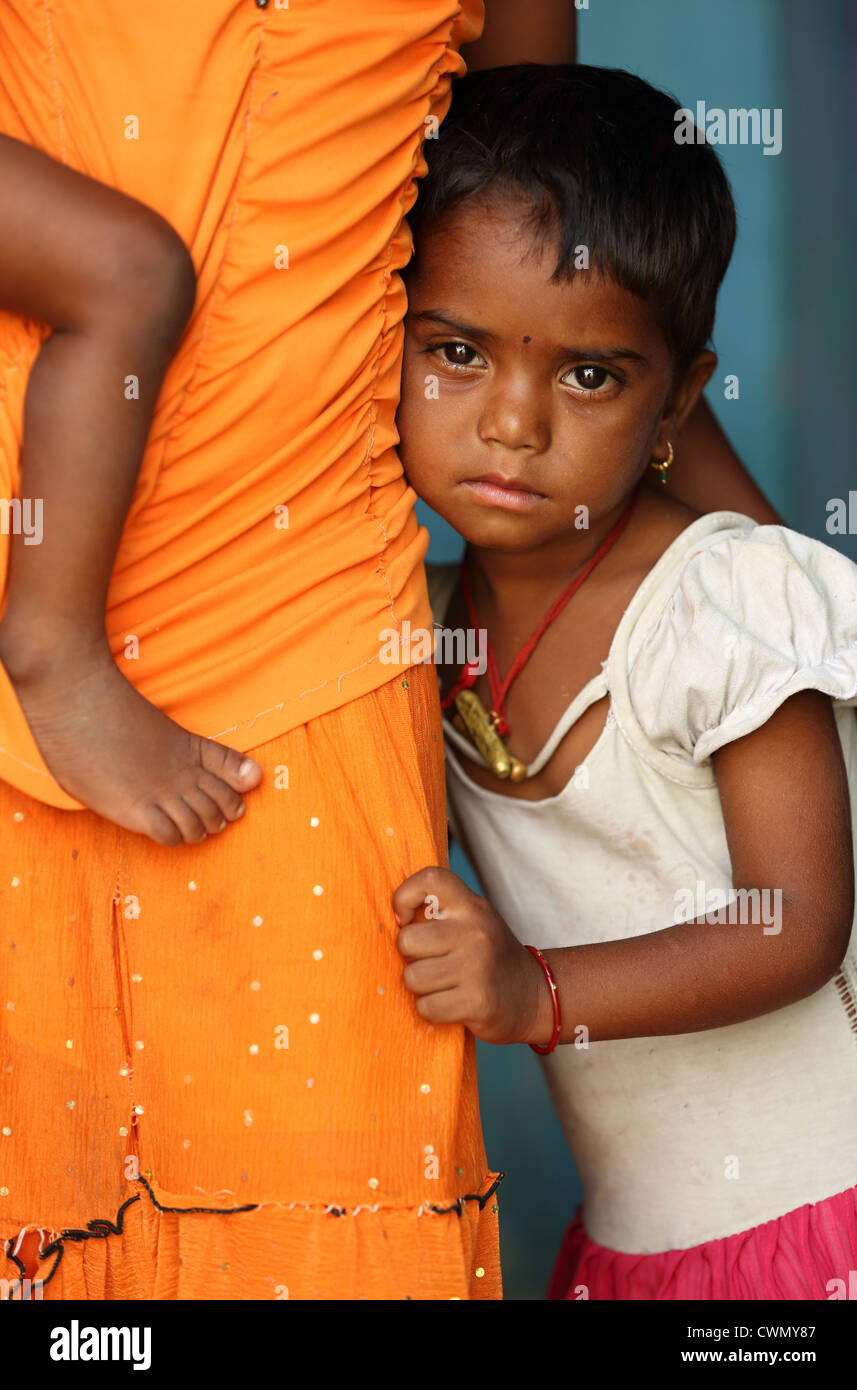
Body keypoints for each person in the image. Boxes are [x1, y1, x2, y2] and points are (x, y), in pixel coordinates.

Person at [0, 0, 517, 1303]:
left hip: (314, 652)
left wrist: (713, 537)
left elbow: (539, 224)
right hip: (23, 632)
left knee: (319, 1230)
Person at [393, 63, 857, 1299]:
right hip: (641, 1250)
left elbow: (796, 923)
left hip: (825, 1231)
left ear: (676, 400)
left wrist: (532, 990)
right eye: (454, 352)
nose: (511, 423)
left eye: (588, 375)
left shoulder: (724, 601)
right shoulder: (415, 626)